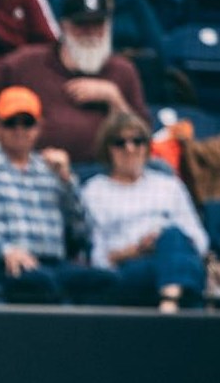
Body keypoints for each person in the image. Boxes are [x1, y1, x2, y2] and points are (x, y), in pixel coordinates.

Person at [0, 86, 117, 304]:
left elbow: (81, 230)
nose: (19, 130)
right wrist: (5, 250)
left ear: (38, 127)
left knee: (108, 282)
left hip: (53, 262)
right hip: (0, 262)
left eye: (27, 123)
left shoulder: (51, 168)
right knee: (39, 283)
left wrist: (67, 182)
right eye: (11, 123)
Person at [0, 0, 151, 164]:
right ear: (64, 27)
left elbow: (145, 139)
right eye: (82, 25)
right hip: (37, 173)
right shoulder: (29, 61)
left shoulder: (122, 70)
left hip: (106, 178)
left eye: (98, 25)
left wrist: (114, 98)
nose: (91, 33)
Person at [82, 111, 209, 311]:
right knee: (187, 269)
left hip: (175, 254)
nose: (130, 148)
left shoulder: (168, 185)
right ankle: (175, 304)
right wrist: (138, 248)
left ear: (147, 146)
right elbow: (99, 259)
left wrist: (162, 241)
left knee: (172, 237)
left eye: (137, 141)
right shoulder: (94, 190)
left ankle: (169, 301)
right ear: (108, 149)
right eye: (120, 143)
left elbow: (199, 239)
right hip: (130, 267)